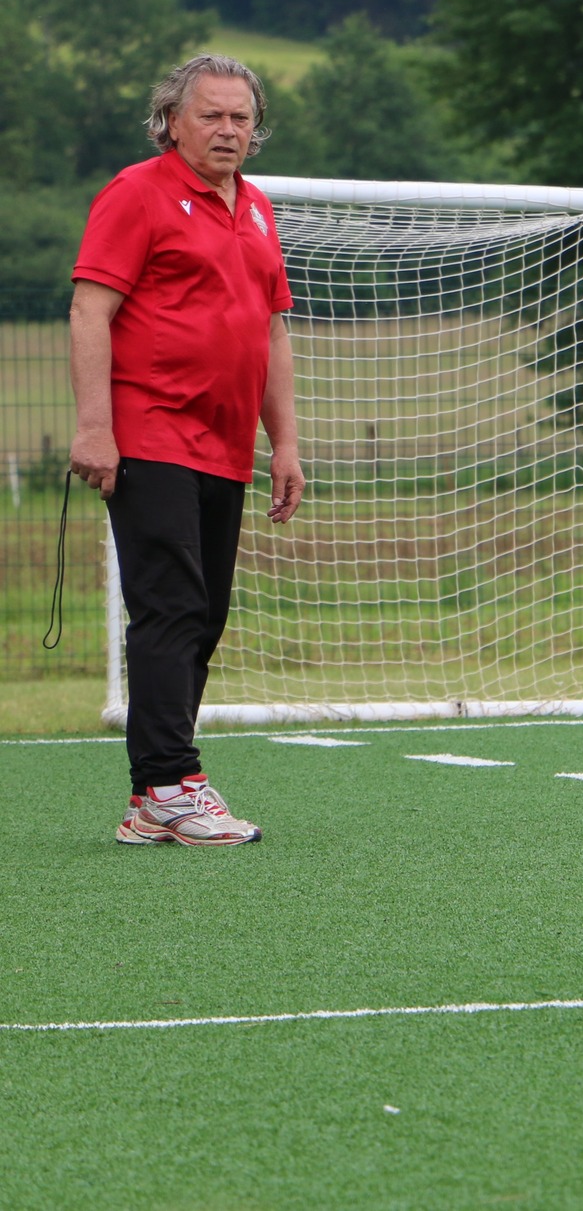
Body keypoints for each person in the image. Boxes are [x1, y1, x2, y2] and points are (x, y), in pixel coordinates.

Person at [69, 54, 304, 848]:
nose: (228, 130)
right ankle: (173, 782)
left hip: (225, 445)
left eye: (241, 117)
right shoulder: (136, 192)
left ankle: (152, 796)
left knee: (204, 613)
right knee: (169, 606)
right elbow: (90, 310)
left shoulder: (258, 208)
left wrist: (284, 442)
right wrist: (94, 427)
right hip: (150, 431)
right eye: (212, 115)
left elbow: (271, 331)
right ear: (173, 121)